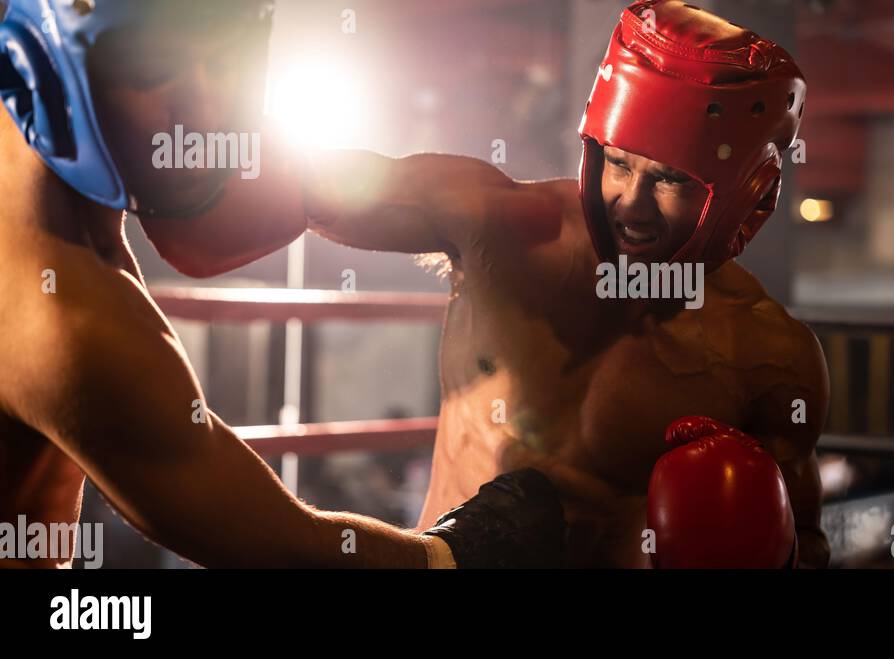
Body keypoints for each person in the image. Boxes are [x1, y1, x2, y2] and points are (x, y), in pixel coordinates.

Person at [0, 0, 565, 569]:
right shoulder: (67, 323)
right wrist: (454, 554)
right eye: (150, 68)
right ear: (40, 71)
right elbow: (283, 547)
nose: (203, 107)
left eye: (224, 61)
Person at [288, 0, 830, 567]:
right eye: (619, 164)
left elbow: (809, 542)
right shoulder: (506, 230)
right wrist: (223, 156)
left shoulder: (768, 357)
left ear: (751, 195)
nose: (632, 205)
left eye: (671, 179)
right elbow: (311, 190)